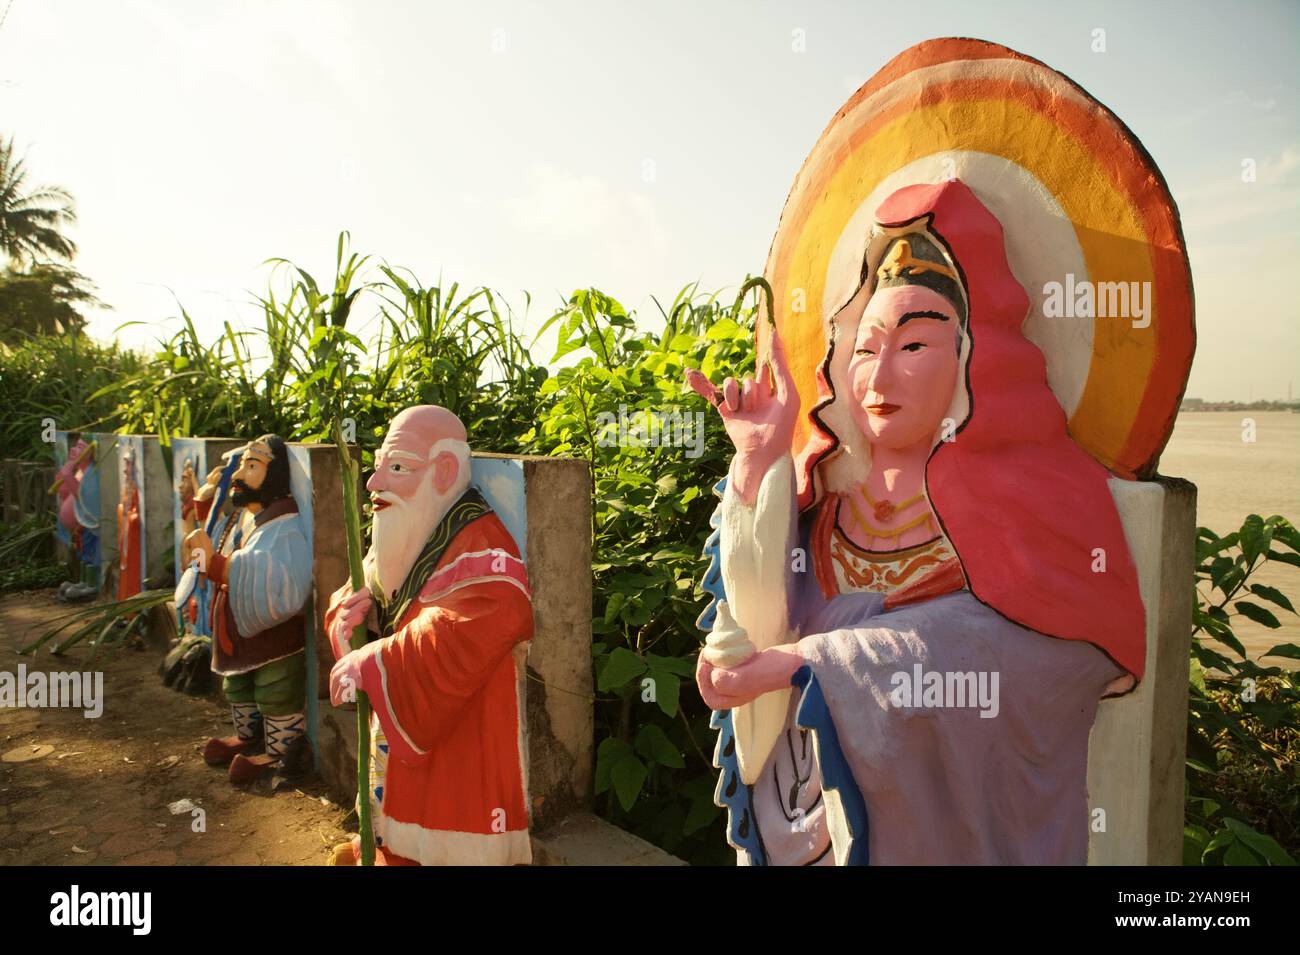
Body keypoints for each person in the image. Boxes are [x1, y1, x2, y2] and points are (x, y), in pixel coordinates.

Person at [688, 180, 1145, 865]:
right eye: (866, 350)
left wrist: (812, 663)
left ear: (970, 360)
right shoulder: (821, 514)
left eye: (914, 346)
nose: (878, 380)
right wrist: (757, 465)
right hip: (804, 822)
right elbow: (762, 626)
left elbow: (1061, 656)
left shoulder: (1034, 516)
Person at [325, 405, 533, 866]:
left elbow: (489, 615)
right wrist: (347, 622)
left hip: (464, 722)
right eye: (378, 465)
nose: (374, 482)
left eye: (396, 467)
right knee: (391, 796)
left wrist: (379, 660)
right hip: (400, 714)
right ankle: (388, 847)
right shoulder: (405, 528)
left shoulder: (480, 539)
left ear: (444, 470)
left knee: (446, 816)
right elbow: (358, 590)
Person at [184, 435, 312, 784]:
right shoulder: (245, 519)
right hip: (237, 631)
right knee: (238, 686)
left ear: (276, 475)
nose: (239, 473)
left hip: (273, 638)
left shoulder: (285, 526)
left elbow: (286, 586)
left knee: (275, 688)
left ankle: (279, 752)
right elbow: (213, 555)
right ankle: (246, 737)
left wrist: (217, 566)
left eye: (252, 465)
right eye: (241, 464)